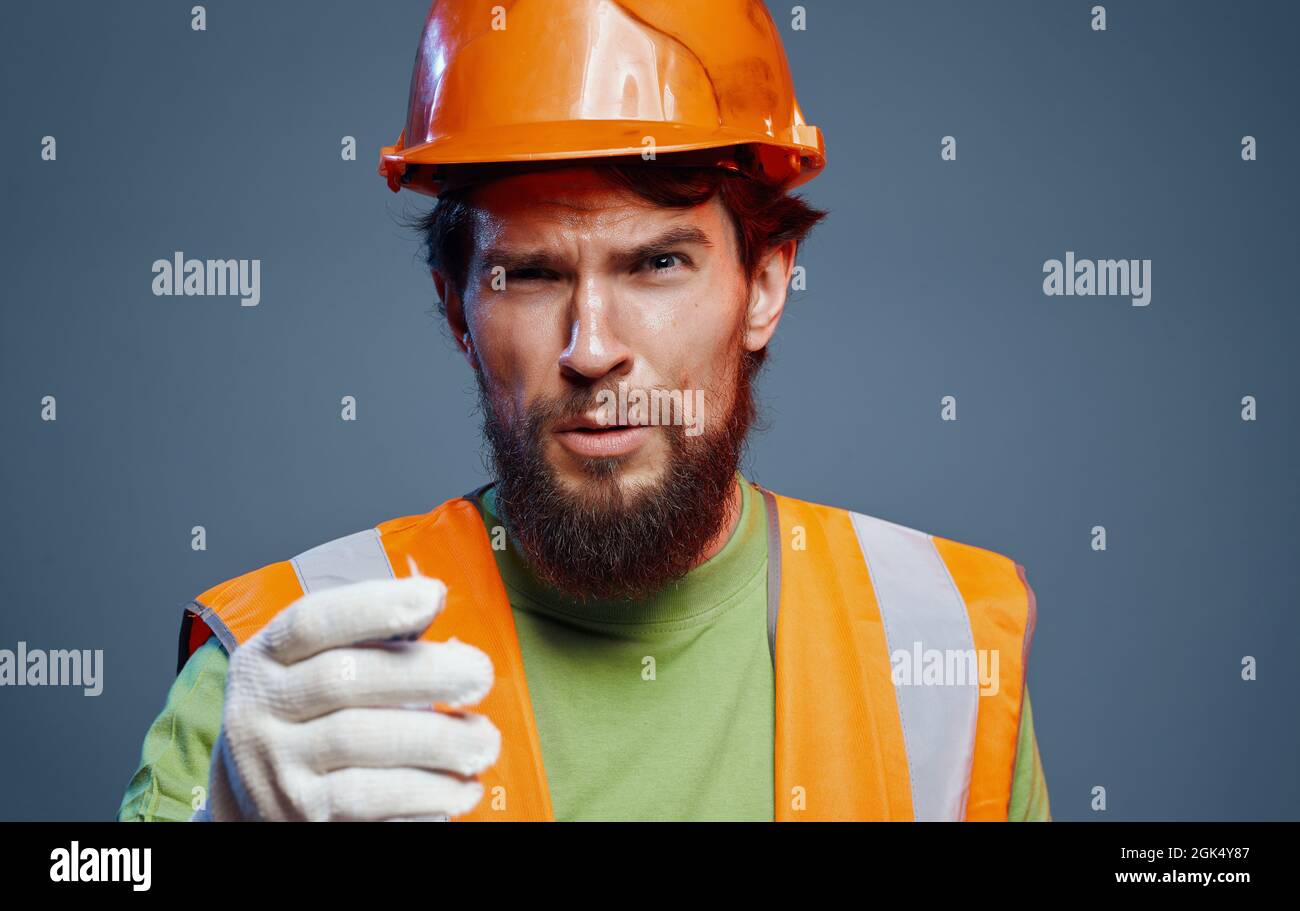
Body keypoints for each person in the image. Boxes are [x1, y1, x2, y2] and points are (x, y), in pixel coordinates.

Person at [118, 0, 1049, 822]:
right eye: (529, 274)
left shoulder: (940, 645)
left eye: (656, 264)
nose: (591, 345)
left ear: (764, 288)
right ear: (456, 310)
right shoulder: (291, 681)